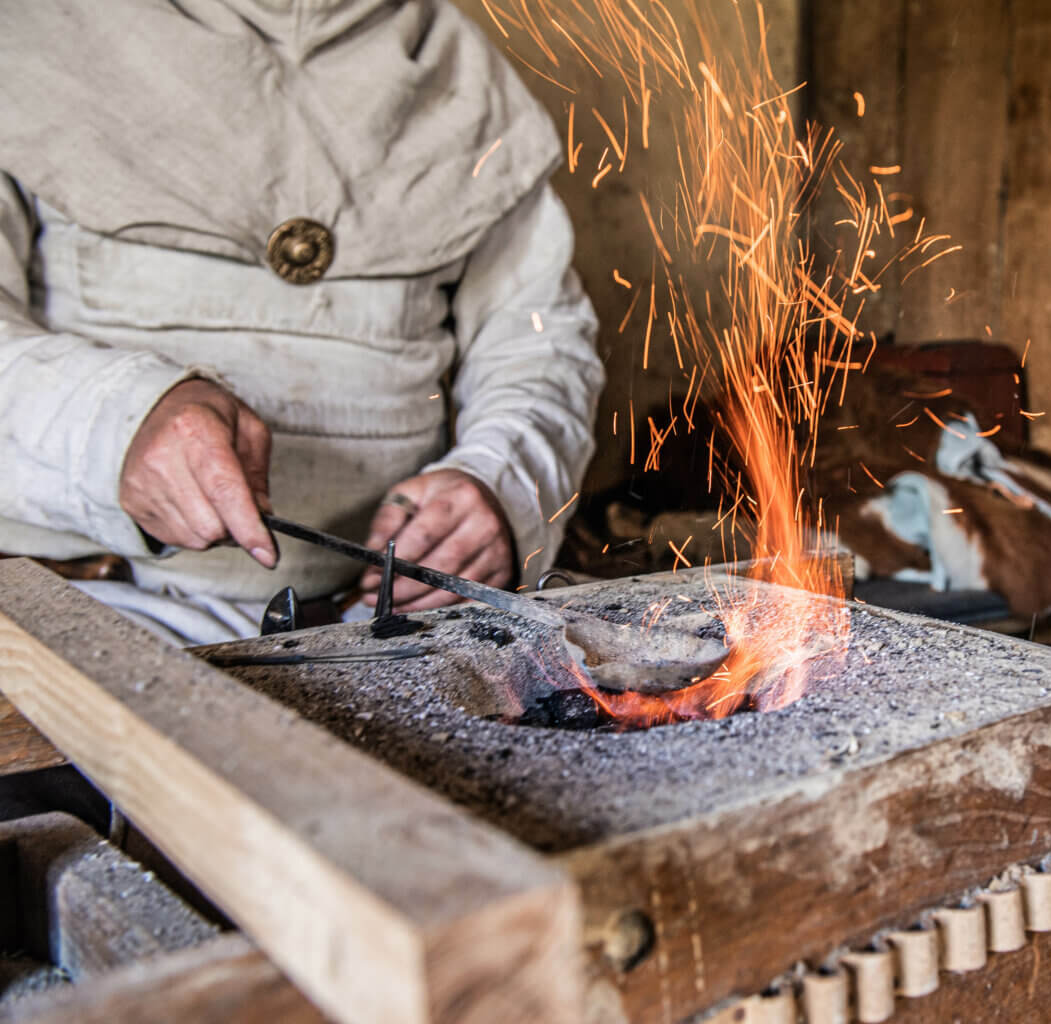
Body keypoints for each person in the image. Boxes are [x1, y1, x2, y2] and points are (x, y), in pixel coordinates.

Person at [0, 0, 603, 646]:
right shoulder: (31, 38)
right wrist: (112, 426)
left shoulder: (458, 66)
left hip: (378, 629)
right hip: (76, 608)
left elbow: (538, 343)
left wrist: (497, 483)